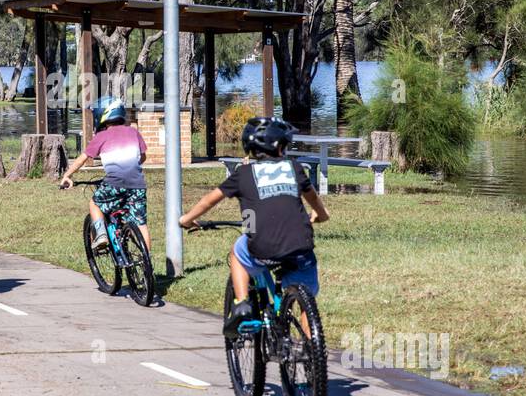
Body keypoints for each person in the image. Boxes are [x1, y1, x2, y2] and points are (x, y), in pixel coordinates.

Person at [178, 116, 329, 337]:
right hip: (300, 247)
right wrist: (321, 215)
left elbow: (209, 200)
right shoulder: (294, 168)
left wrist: (186, 219)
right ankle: (313, 349)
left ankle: (241, 304)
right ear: (279, 148)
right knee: (307, 303)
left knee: (238, 252)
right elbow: (313, 199)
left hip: (263, 247)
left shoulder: (243, 174)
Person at [59, 96, 151, 253]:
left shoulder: (101, 137)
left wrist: (67, 176)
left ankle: (101, 235)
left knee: (95, 204)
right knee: (140, 223)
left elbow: (82, 159)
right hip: (137, 184)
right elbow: (143, 157)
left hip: (114, 183)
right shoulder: (134, 132)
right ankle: (147, 265)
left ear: (102, 115)